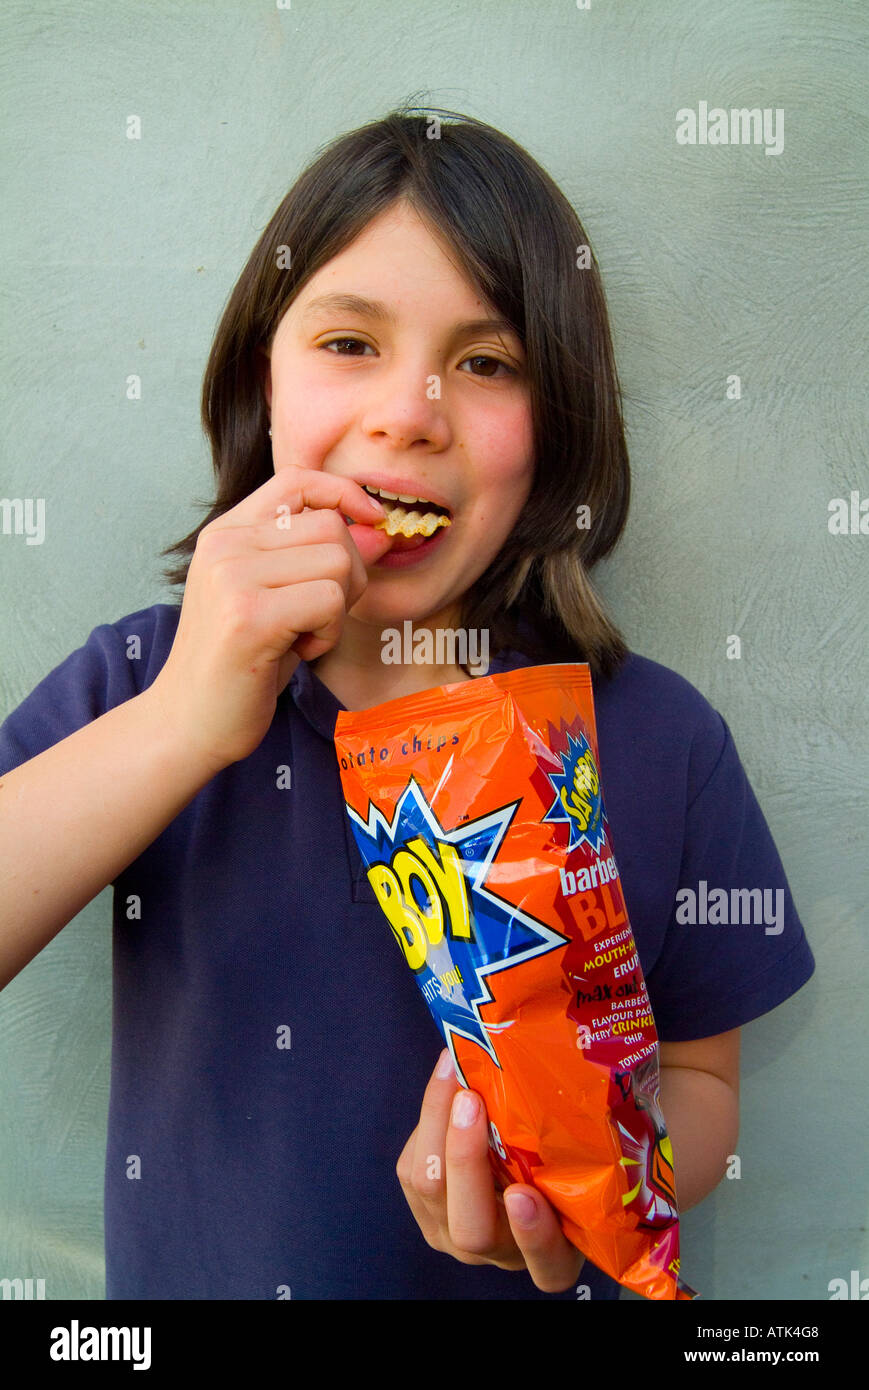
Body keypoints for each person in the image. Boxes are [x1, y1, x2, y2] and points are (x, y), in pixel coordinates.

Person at [0, 107, 815, 1300]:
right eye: (347, 343)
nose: (410, 411)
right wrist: (184, 721)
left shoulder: (656, 739)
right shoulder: (138, 680)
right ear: (260, 386)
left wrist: (586, 1177)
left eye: (486, 364)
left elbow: (701, 1084)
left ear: (554, 434)